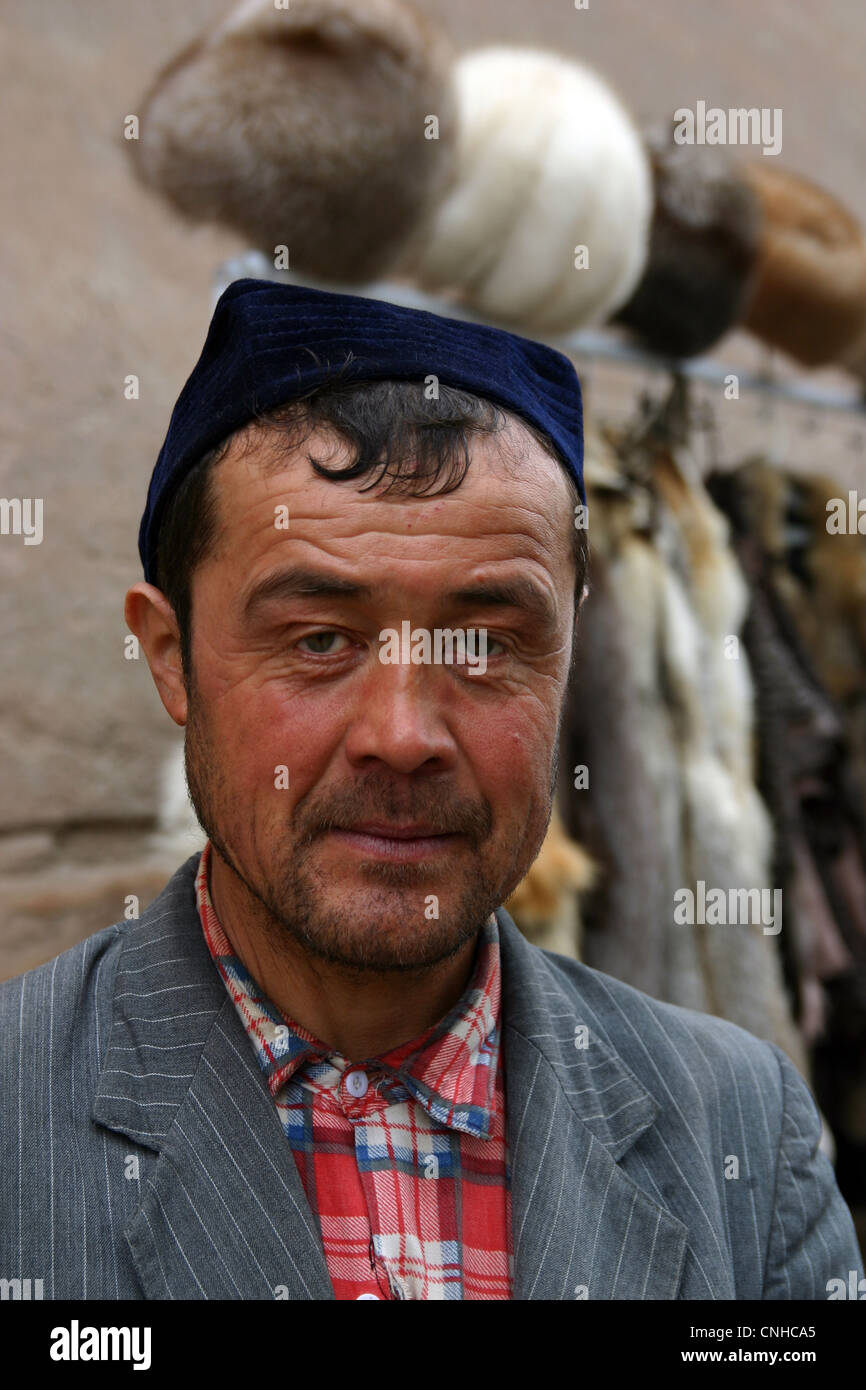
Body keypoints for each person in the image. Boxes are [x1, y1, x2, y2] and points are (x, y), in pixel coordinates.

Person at [1, 280, 861, 1300]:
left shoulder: (742, 1131)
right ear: (170, 656)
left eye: (485, 644)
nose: (402, 737)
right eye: (318, 640)